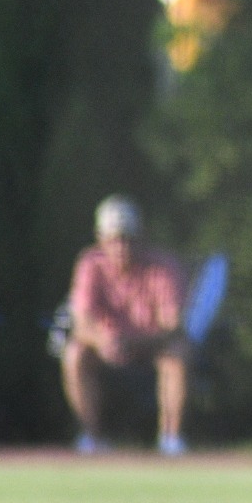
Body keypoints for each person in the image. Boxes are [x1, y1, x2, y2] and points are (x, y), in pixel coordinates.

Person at [62, 195, 187, 456]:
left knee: (177, 354)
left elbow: (172, 325)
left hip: (150, 345)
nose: (121, 247)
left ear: (140, 237)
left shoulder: (163, 266)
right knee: (74, 354)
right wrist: (104, 340)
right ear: (100, 239)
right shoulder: (89, 265)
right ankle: (91, 437)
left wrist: (134, 341)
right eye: (113, 240)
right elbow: (81, 321)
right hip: (104, 346)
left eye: (127, 239)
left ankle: (170, 439)